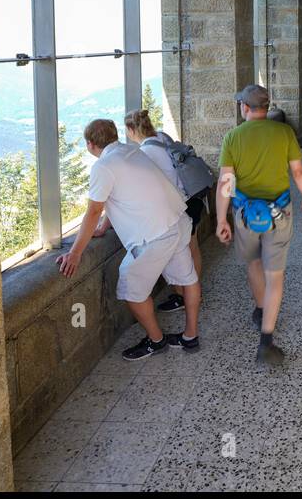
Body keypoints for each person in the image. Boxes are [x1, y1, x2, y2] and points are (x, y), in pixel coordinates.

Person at [56, 119, 201, 359]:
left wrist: (75, 253)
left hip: (154, 234)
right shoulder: (132, 150)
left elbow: (94, 210)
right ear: (115, 135)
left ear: (90, 144)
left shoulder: (103, 167)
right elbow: (123, 196)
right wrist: (104, 226)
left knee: (130, 289)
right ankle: (190, 336)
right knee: (188, 278)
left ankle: (156, 340)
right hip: (176, 220)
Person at [215, 85, 302, 366]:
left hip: (245, 215)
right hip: (278, 213)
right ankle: (266, 340)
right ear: (266, 108)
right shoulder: (283, 132)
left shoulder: (232, 138)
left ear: (245, 108)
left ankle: (260, 309)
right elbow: (298, 170)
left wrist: (222, 219)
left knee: (253, 265)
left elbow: (226, 182)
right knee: (276, 275)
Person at [123, 109, 207, 314]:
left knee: (181, 255)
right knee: (192, 247)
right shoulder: (162, 137)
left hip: (179, 205)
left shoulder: (145, 153)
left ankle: (184, 296)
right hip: (194, 196)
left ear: (131, 129)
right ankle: (195, 292)